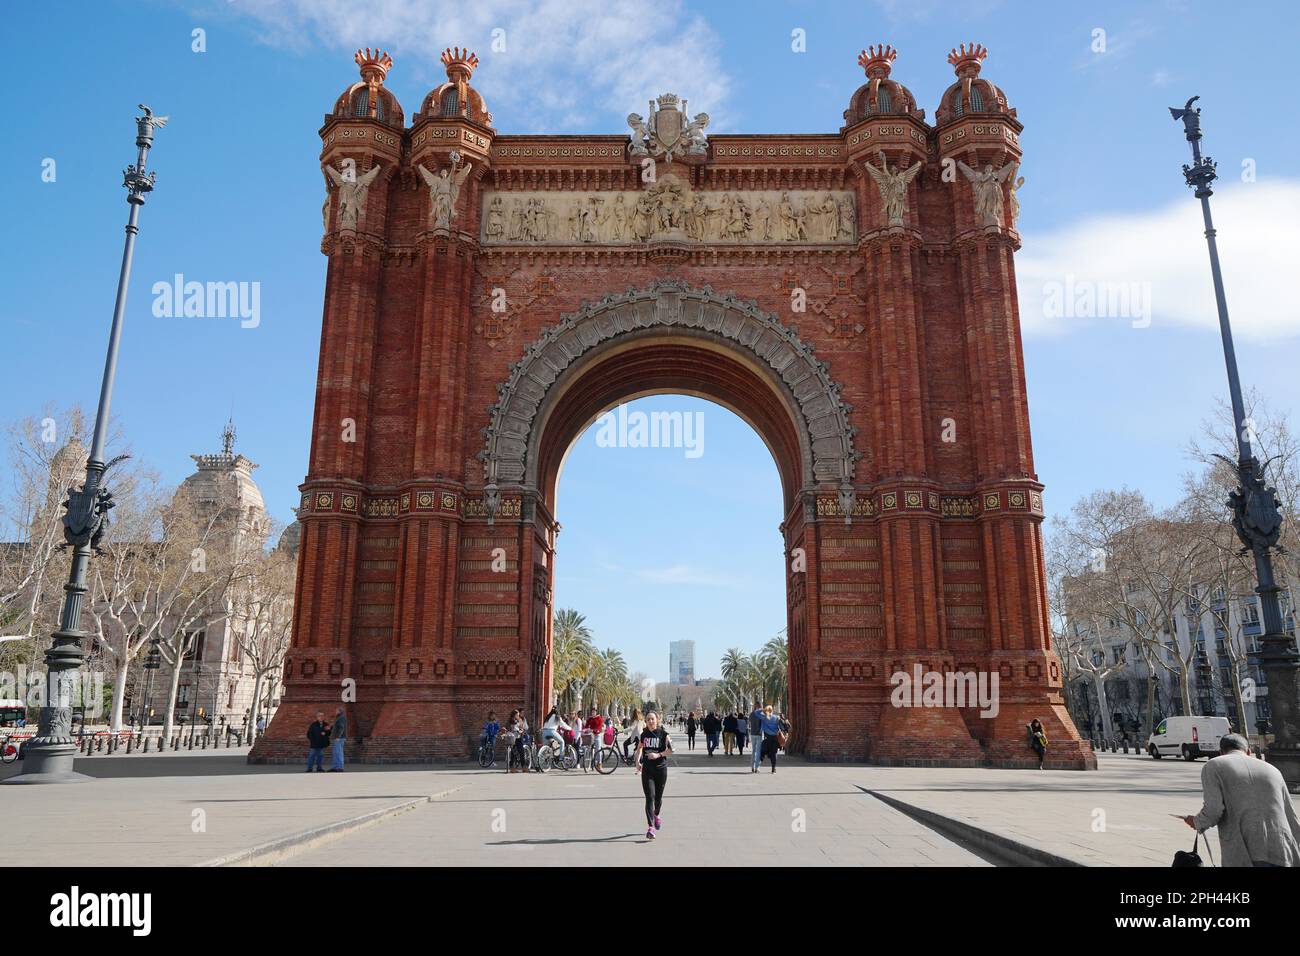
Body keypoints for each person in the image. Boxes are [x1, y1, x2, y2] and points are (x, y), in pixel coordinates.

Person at [1183, 733, 1300, 866]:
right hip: (1281, 850)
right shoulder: (1273, 770)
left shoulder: (1214, 765)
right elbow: (1291, 815)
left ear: (1221, 752)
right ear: (1248, 751)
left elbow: (1214, 810)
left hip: (1245, 851)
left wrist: (1197, 821)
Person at [634, 710, 673, 841]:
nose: (650, 721)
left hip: (661, 769)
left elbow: (671, 750)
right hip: (647, 770)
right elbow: (639, 748)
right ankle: (650, 827)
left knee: (658, 798)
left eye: (652, 719)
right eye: (648, 719)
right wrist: (637, 762)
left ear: (657, 720)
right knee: (649, 797)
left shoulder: (664, 735)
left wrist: (658, 755)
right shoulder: (644, 735)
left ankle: (657, 814)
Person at [759, 705, 788, 773]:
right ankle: (773, 768)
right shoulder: (776, 718)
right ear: (772, 710)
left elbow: (761, 729)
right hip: (775, 737)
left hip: (767, 738)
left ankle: (762, 758)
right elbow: (781, 727)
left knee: (764, 749)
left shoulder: (764, 718)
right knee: (774, 752)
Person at [328, 706, 347, 772]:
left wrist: (338, 736)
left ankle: (340, 767)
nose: (335, 712)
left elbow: (341, 728)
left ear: (340, 711)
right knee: (335, 753)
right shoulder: (339, 718)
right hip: (337, 738)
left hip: (339, 738)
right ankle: (335, 767)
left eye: (336, 711)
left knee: (338, 753)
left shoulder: (341, 718)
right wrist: (330, 727)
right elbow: (337, 727)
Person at [749, 703, 765, 773]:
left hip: (752, 733)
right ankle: (757, 767)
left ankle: (752, 766)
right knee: (758, 751)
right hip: (759, 734)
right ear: (760, 706)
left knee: (753, 750)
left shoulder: (751, 714)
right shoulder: (761, 714)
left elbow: (750, 722)